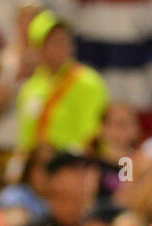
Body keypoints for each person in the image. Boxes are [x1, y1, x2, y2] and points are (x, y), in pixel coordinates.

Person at [15, 10, 109, 154]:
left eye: (64, 40)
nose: (62, 47)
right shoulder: (30, 87)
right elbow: (26, 136)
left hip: (74, 166)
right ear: (38, 48)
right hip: (37, 168)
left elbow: (92, 135)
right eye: (54, 42)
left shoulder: (88, 81)